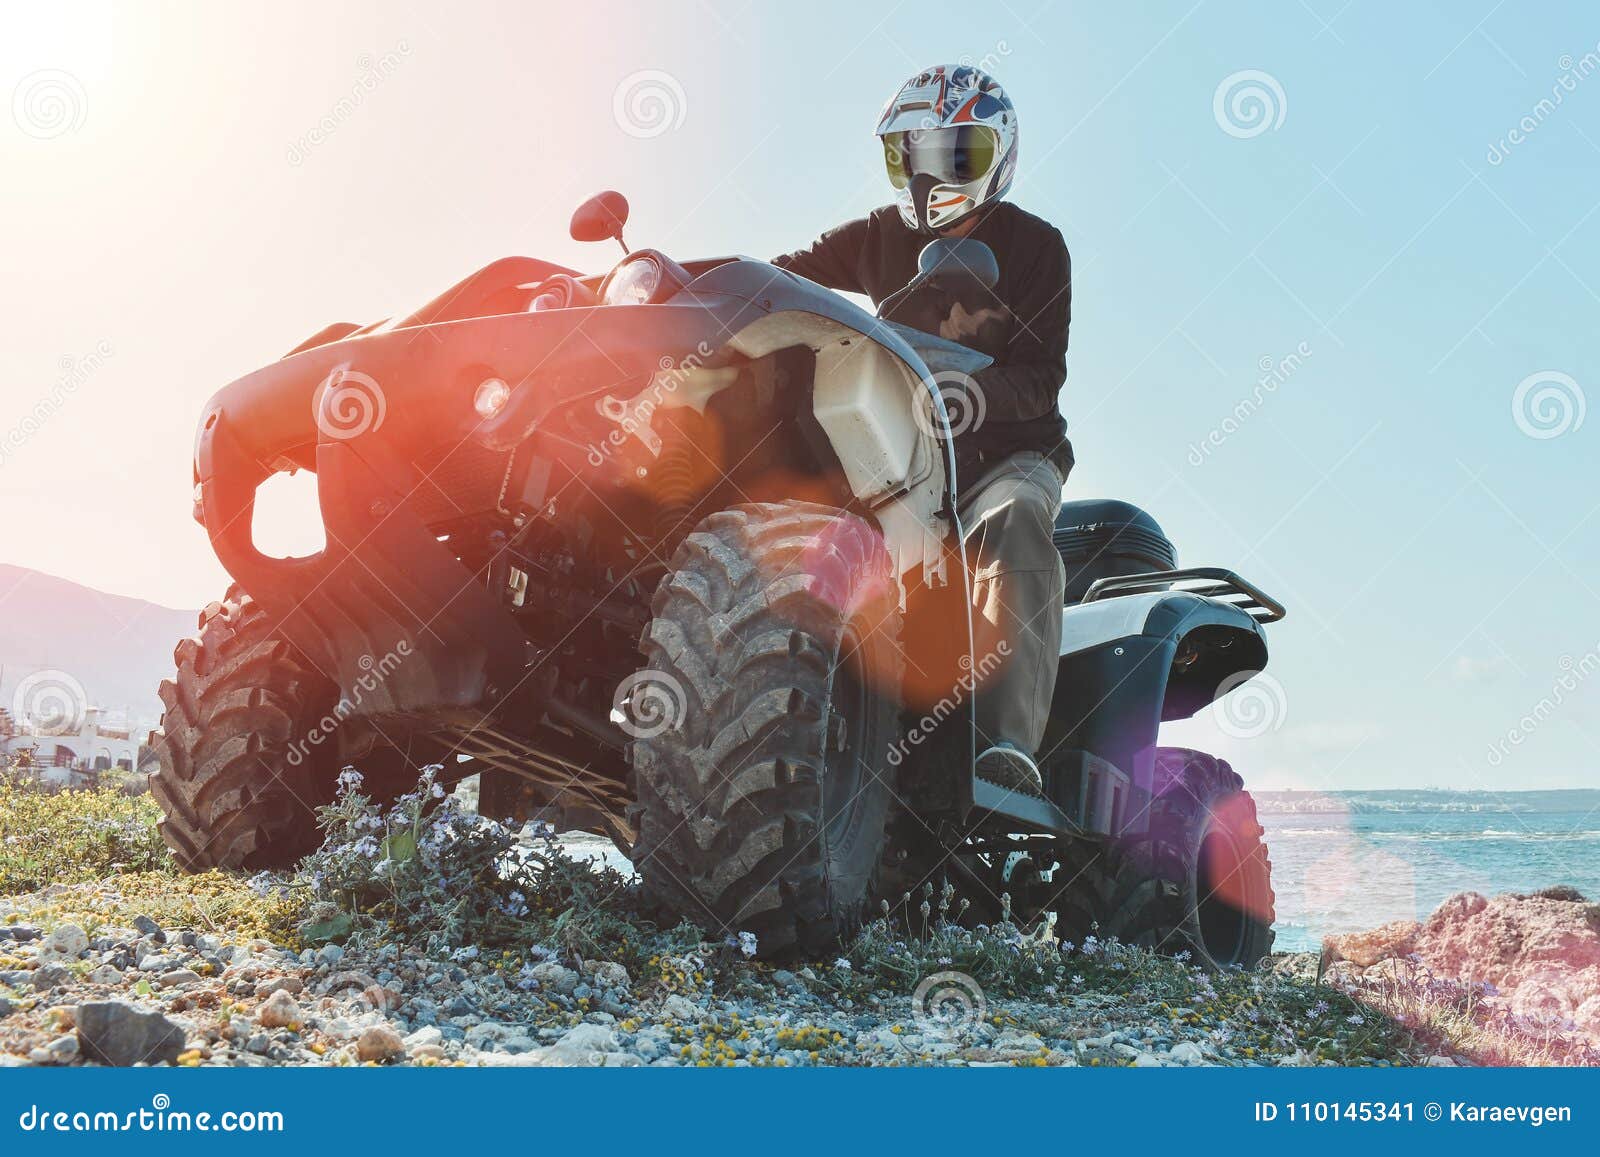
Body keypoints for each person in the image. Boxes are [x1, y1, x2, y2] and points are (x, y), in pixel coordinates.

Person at [774, 64, 1073, 797]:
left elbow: (1041, 377)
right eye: (911, 154)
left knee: (1014, 519)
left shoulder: (1038, 248)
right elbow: (783, 279)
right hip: (899, 449)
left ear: (998, 154)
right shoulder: (877, 235)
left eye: (954, 155)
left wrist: (957, 392)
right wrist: (701, 286)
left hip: (1006, 455)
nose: (927, 176)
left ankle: (1005, 749)